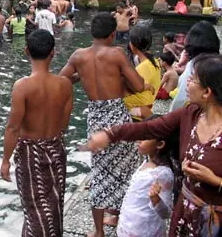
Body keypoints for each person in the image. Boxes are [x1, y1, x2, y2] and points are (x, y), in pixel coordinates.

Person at [85, 53, 222, 237]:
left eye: (193, 79)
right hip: (185, 212)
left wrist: (216, 181)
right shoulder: (191, 113)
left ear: (207, 92)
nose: (186, 81)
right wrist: (111, 134)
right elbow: (151, 128)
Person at [59, 13, 145, 237]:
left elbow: (61, 78)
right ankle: (120, 217)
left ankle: (98, 230)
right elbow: (138, 85)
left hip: (95, 118)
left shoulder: (79, 55)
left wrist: (80, 76)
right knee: (126, 169)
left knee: (99, 172)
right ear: (113, 34)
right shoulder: (116, 54)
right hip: (117, 116)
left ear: (91, 33)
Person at [1, 30, 73, 236]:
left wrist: (6, 160)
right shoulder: (65, 85)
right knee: (54, 205)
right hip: (56, 150)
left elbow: (13, 128)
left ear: (26, 51)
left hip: (30, 155)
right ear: (53, 53)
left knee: (33, 209)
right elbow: (64, 124)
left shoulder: (22, 87)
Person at [116, 114, 176, 237]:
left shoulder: (163, 174)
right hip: (129, 225)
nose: (138, 139)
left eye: (145, 137)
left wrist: (155, 199)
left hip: (144, 230)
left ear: (160, 145)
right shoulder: (147, 161)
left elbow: (166, 213)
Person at [170, 21, 220, 112]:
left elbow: (181, 98)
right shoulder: (217, 62)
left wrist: (172, 116)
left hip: (200, 112)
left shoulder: (195, 64)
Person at [125, 26, 160, 121]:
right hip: (149, 101)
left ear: (132, 45)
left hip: (138, 107)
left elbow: (133, 88)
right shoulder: (155, 61)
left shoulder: (142, 67)